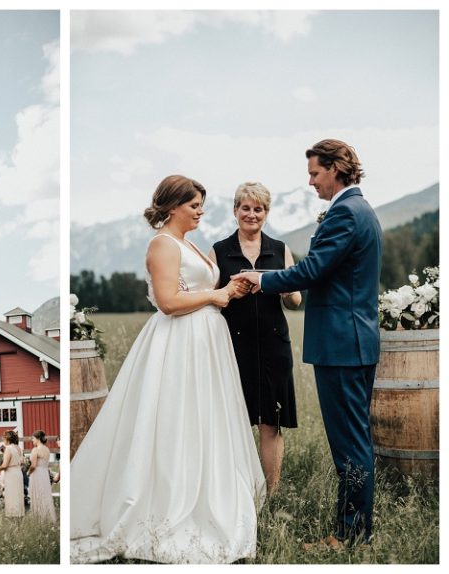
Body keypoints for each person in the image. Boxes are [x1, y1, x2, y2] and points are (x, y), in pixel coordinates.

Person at [70, 175, 265, 564]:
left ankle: (212, 495)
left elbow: (197, 290)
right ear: (173, 206)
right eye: (194, 205)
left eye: (201, 205)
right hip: (180, 342)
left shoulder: (188, 243)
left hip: (206, 341)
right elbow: (169, 301)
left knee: (205, 417)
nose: (200, 211)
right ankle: (168, 503)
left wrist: (230, 289)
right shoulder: (162, 244)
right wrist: (218, 294)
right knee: (176, 417)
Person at [234, 139, 382, 548]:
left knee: (350, 444)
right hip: (353, 340)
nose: (312, 181)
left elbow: (312, 270)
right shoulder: (361, 210)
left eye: (315, 173)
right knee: (355, 440)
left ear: (335, 168)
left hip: (342, 343)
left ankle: (351, 535)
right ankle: (356, 530)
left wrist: (259, 278)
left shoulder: (346, 213)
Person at [210, 182, 302, 495]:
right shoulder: (219, 251)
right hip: (232, 347)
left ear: (266, 213)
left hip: (275, 346)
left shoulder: (280, 248)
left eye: (258, 209)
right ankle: (236, 492)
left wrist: (285, 289)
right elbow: (210, 298)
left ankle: (272, 493)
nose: (252, 214)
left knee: (271, 422)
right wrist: (229, 292)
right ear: (235, 211)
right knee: (233, 422)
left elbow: (296, 301)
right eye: (246, 208)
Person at [28, 430, 56, 522]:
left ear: (38, 439)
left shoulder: (35, 450)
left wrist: (28, 473)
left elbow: (33, 465)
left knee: (37, 494)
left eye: (33, 438)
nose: (32, 440)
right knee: (45, 494)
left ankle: (39, 517)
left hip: (36, 474)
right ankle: (47, 516)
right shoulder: (47, 450)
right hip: (44, 474)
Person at [0, 430, 24, 518]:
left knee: (12, 495)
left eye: (4, 438)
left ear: (7, 438)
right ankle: (19, 515)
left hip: (11, 473)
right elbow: (22, 462)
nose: (3, 440)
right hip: (18, 472)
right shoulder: (19, 448)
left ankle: (12, 515)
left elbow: (5, 465)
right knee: (18, 495)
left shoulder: (8, 448)